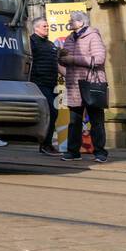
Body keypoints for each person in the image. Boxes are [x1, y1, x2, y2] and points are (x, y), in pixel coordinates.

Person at [58, 10, 108, 162]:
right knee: (74, 121)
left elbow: (98, 59)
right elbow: (63, 61)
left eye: (72, 20)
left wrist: (72, 59)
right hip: (74, 85)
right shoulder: (69, 38)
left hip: (91, 84)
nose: (69, 23)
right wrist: (61, 60)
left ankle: (100, 152)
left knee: (96, 120)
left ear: (81, 22)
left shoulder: (93, 36)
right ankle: (73, 152)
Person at [29, 15, 61, 154]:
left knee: (54, 113)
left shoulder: (50, 44)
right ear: (36, 28)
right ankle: (45, 144)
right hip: (39, 83)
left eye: (47, 26)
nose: (47, 28)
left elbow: (56, 64)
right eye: (44, 26)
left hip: (52, 83)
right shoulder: (31, 42)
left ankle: (46, 144)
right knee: (51, 112)